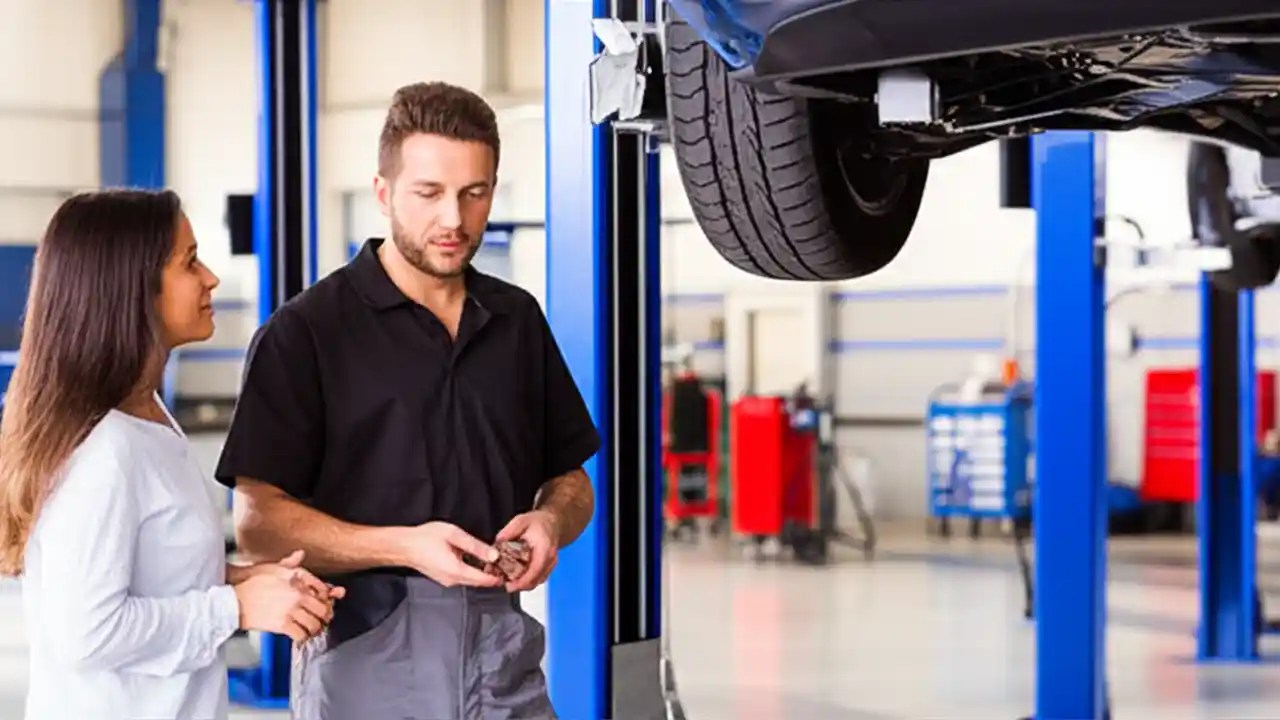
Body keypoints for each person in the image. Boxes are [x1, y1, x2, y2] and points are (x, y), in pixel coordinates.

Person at [216, 81, 600, 719]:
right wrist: (404, 546)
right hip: (366, 648)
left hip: (503, 650)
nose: (453, 218)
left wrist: (552, 521)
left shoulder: (516, 320)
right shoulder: (308, 331)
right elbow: (258, 525)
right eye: (429, 193)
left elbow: (570, 478)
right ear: (384, 192)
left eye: (474, 193)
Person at [0, 189, 345, 720]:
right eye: (189, 262)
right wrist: (235, 607)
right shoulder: (104, 451)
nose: (210, 278)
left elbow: (149, 572)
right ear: (131, 289)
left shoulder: (148, 417)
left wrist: (246, 580)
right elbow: (87, 632)